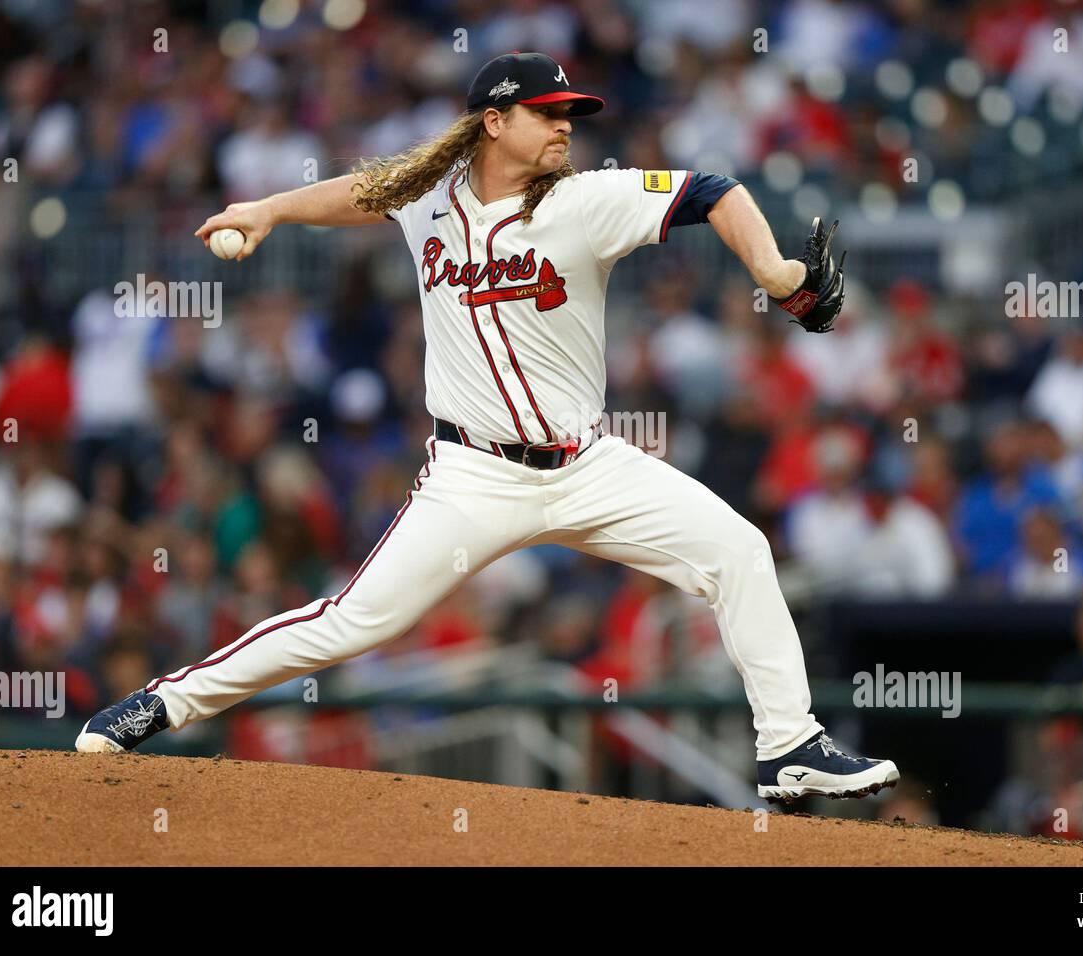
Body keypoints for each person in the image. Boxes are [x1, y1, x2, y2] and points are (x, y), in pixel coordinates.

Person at [75, 52, 898, 803]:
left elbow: (715, 192)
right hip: (474, 476)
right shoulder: (429, 198)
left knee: (740, 551)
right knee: (354, 621)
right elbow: (363, 191)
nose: (565, 126)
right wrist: (269, 210)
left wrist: (777, 273)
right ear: (495, 122)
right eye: (548, 113)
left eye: (570, 114)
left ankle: (789, 746)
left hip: (588, 466)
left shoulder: (587, 200)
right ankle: (160, 705)